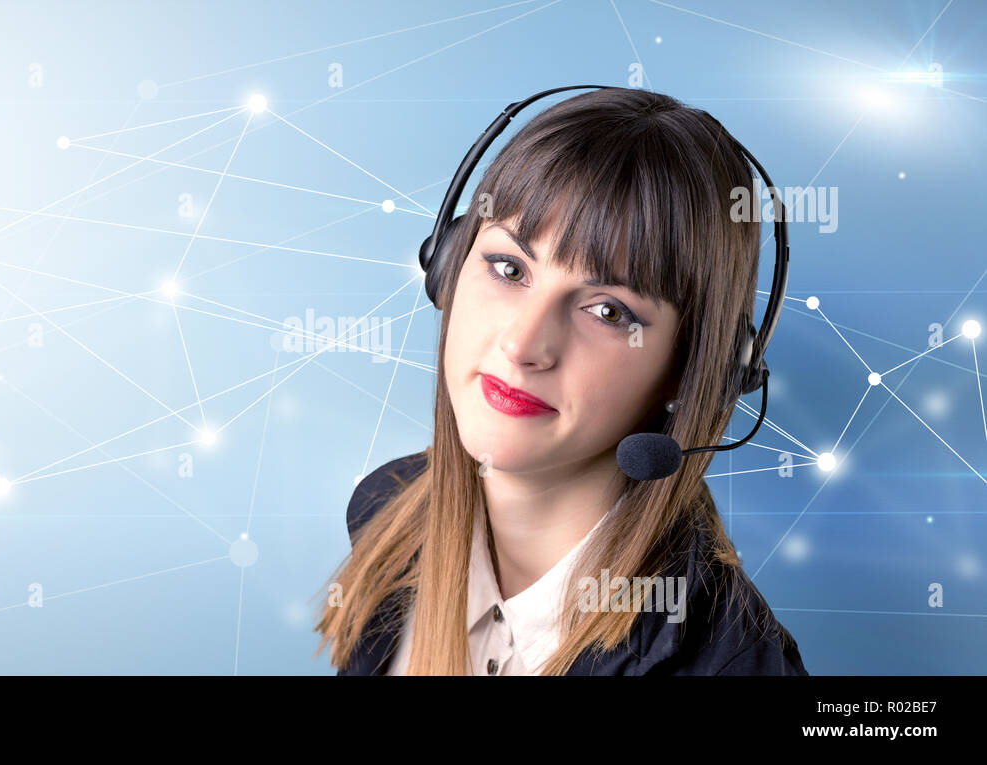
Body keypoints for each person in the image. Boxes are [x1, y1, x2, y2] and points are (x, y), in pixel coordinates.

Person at [313, 88, 807, 676]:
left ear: (694, 366)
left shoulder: (727, 662)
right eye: (509, 268)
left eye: (607, 311)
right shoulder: (387, 513)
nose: (523, 345)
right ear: (446, 268)